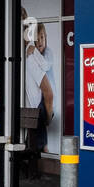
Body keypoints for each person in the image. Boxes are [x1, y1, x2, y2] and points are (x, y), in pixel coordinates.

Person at [22, 9, 54, 154]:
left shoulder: (29, 54)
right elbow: (48, 94)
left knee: (37, 145)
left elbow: (48, 93)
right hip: (30, 112)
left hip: (30, 113)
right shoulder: (27, 54)